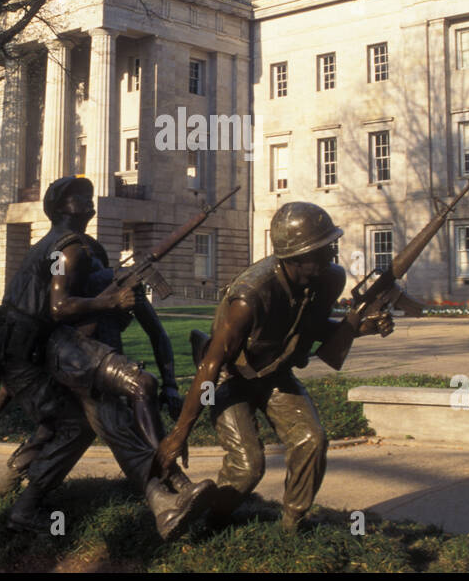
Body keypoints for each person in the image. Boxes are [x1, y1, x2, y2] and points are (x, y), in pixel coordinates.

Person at [0, 175, 210, 539]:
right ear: (59, 207)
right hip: (39, 355)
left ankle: (164, 494)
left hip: (46, 355)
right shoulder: (65, 252)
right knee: (82, 423)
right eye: (81, 198)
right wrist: (109, 301)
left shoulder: (72, 253)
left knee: (86, 421)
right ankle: (164, 490)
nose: (90, 203)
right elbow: (52, 312)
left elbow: (154, 333)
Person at [155, 202, 391, 531]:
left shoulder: (328, 279)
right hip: (229, 379)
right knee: (248, 466)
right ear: (296, 256)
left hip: (275, 373)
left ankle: (292, 524)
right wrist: (179, 434)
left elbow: (313, 327)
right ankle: (211, 521)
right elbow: (211, 365)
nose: (330, 257)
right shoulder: (249, 296)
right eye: (322, 250)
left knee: (312, 440)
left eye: (330, 247)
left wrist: (360, 327)